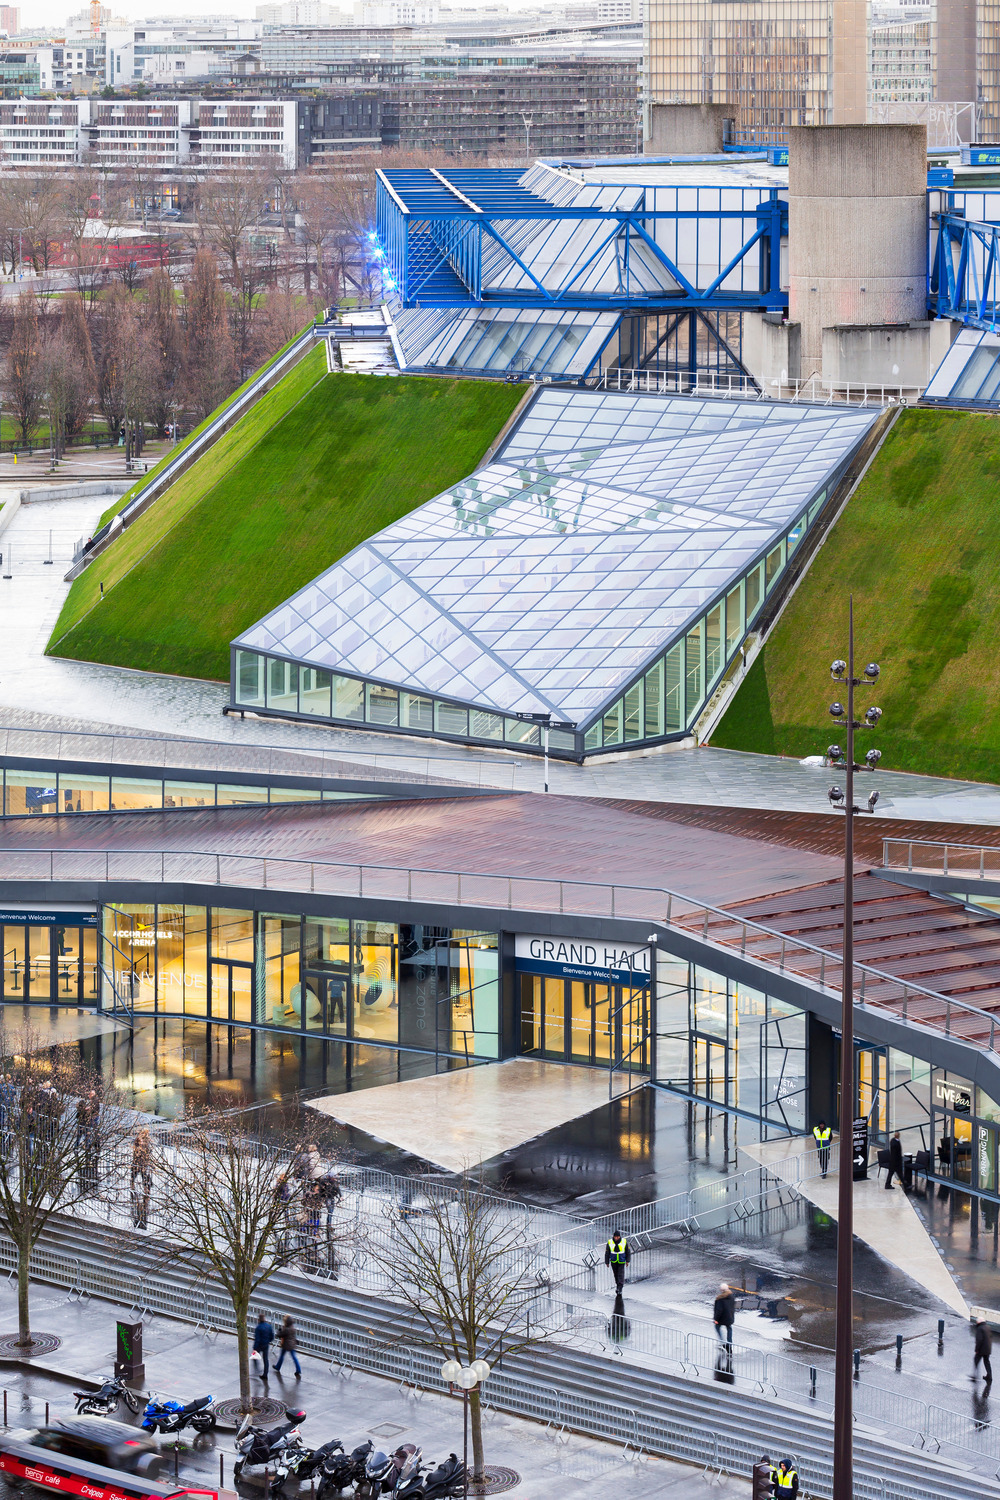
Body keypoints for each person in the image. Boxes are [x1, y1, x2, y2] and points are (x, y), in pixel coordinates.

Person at [131, 1128, 152, 1230]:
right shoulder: (140, 1141)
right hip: (139, 1162)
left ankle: (145, 1185)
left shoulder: (144, 1142)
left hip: (141, 1162)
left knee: (141, 1174)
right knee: (136, 1173)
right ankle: (136, 1184)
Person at [274, 1314, 301, 1379]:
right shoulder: (292, 1328)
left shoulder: (286, 1329)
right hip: (292, 1345)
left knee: (282, 1356)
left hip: (286, 1345)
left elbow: (280, 1335)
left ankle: (278, 1367)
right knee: (294, 1358)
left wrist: (279, 1331)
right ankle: (298, 1369)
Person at [253, 1312, 275, 1380]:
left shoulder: (258, 1328)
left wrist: (255, 1347)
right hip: (266, 1344)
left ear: (259, 1320)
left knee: (254, 1356)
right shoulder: (268, 1326)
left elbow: (257, 1339)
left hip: (259, 1345)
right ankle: (265, 1374)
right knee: (265, 1360)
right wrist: (269, 1341)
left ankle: (256, 1368)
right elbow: (272, 1336)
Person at [974, 1318, 993, 1386]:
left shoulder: (980, 1328)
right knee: (987, 1362)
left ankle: (975, 1376)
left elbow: (979, 1340)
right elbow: (990, 1337)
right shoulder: (988, 1327)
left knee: (976, 1360)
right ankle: (989, 1376)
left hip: (982, 1349)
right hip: (988, 1349)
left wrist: (977, 1350)